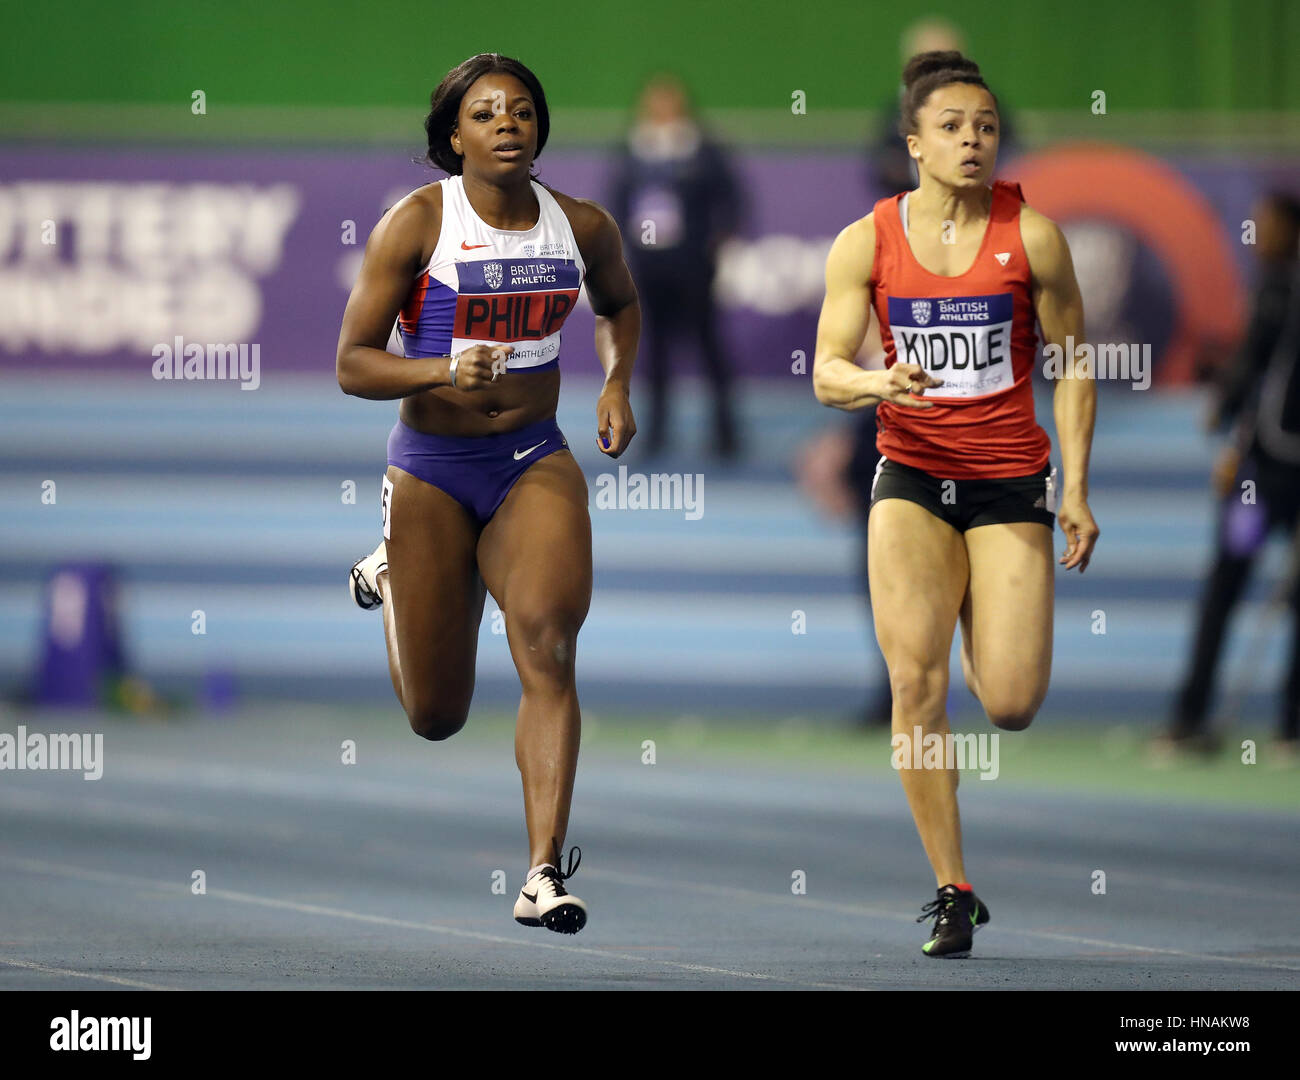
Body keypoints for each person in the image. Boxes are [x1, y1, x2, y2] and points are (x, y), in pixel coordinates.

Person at [334, 53, 640, 934]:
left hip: (533, 457)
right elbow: (352, 363)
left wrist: (616, 385)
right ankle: (395, 570)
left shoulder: (581, 227)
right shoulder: (418, 225)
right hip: (431, 467)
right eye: (485, 112)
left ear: (540, 129)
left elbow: (620, 308)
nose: (506, 122)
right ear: (454, 136)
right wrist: (439, 367)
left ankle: (542, 869)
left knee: (547, 644)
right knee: (436, 715)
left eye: (521, 111)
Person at [812, 51, 1099, 957]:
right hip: (910, 480)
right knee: (914, 684)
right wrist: (875, 383)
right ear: (914, 144)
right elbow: (825, 371)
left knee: (1009, 703)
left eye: (984, 128)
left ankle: (985, 608)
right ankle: (951, 886)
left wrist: (1077, 489)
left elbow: (1076, 362)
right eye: (951, 128)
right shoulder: (867, 240)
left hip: (1009, 482)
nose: (972, 141)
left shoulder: (1036, 237)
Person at [1160, 192, 1300, 758]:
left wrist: (1222, 415)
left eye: (1266, 224)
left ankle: (1190, 719)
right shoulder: (1277, 288)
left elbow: (1252, 371)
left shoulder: (1275, 290)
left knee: (1225, 587)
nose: (1256, 232)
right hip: (1264, 470)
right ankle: (1291, 728)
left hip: (1262, 477)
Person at [607, 73, 743, 459]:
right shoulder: (635, 150)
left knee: (709, 348)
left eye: (670, 103)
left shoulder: (702, 149)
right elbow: (615, 201)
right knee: (654, 354)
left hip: (693, 267)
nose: (662, 111)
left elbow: (732, 199)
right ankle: (656, 434)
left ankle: (726, 434)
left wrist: (717, 241)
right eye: (655, 103)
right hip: (651, 269)